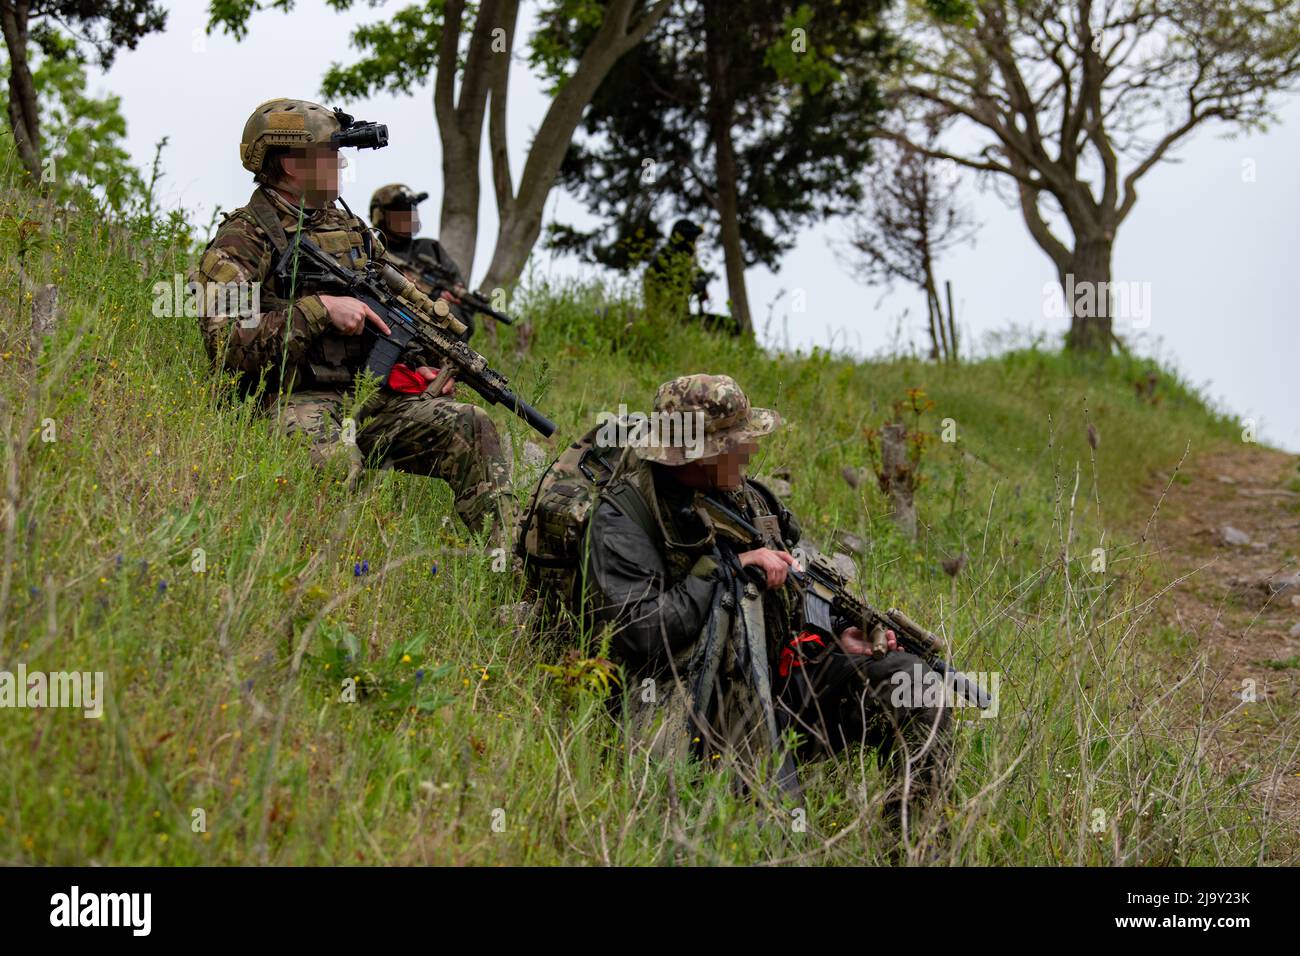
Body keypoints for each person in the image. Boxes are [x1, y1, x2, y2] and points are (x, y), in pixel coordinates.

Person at [581, 373, 952, 837]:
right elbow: (641, 632)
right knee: (768, 832)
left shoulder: (748, 499)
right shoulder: (624, 518)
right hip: (698, 710)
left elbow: (793, 585)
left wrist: (836, 634)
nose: (750, 449)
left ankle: (916, 848)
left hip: (780, 684)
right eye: (737, 442)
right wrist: (727, 569)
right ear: (698, 452)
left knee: (918, 687)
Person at [191, 98, 514, 543]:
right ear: (291, 164)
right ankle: (333, 574)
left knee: (472, 426)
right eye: (330, 152)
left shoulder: (353, 230)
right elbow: (226, 343)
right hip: (290, 399)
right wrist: (320, 309)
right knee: (335, 463)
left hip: (367, 396)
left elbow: (393, 305)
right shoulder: (242, 238)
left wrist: (418, 364)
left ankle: (509, 564)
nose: (341, 162)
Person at [369, 184, 476, 340]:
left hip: (436, 338)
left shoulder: (430, 248)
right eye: (402, 213)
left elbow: (464, 312)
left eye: (412, 212)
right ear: (380, 217)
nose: (409, 218)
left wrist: (444, 302)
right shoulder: (370, 251)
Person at [643, 218, 709, 321]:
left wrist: (701, 282)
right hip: (664, 313)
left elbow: (697, 276)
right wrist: (695, 285)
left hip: (676, 313)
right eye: (692, 240)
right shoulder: (667, 256)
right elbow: (681, 285)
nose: (694, 244)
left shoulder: (683, 259)